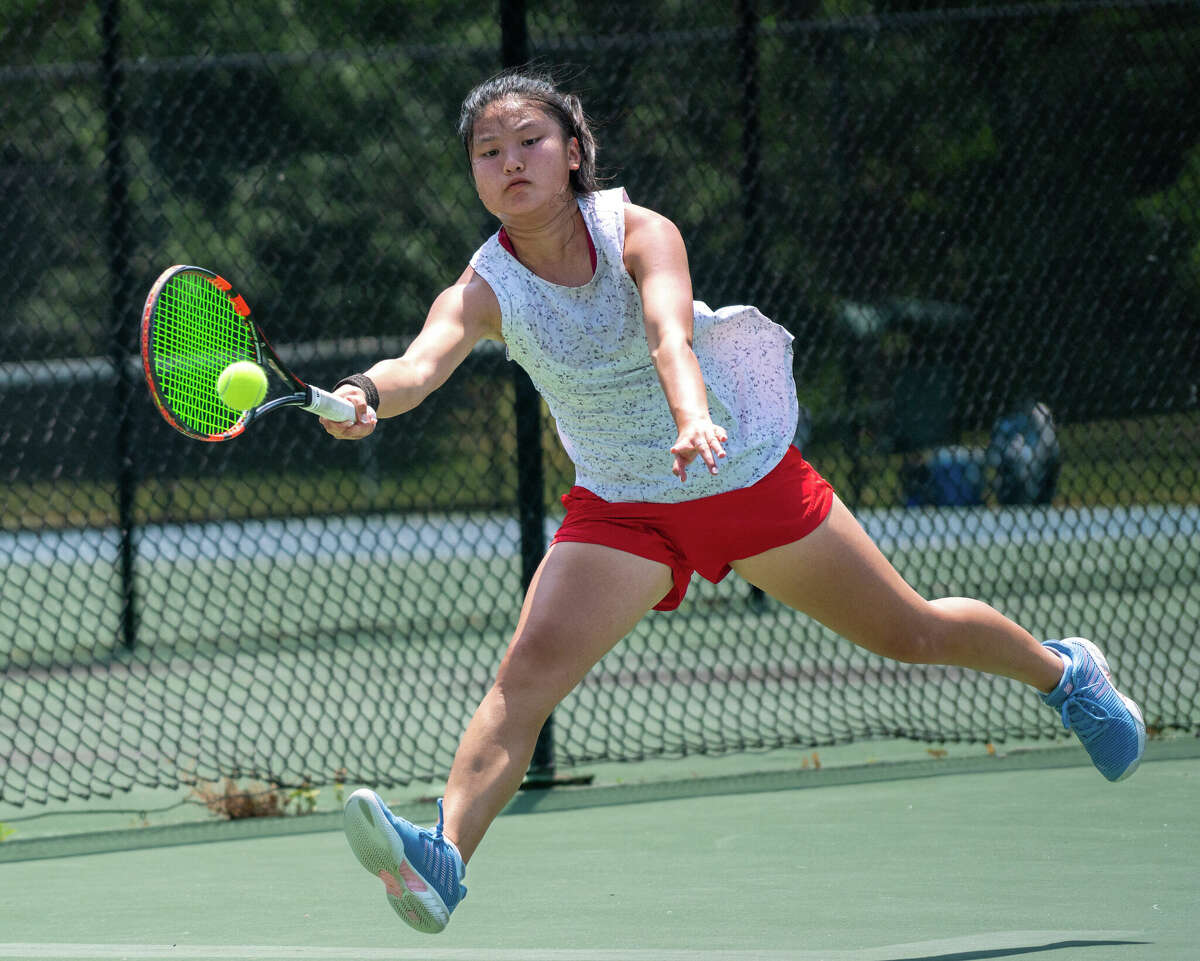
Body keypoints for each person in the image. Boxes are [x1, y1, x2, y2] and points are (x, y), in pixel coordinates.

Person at [321, 70, 1145, 935]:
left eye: (530, 141)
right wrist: (364, 392)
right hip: (622, 508)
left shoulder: (641, 232)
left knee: (911, 632)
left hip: (738, 468)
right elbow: (419, 364)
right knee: (525, 677)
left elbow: (668, 333)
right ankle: (443, 857)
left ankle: (1065, 675)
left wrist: (691, 417)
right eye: (489, 152)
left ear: (573, 151)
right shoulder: (484, 286)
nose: (511, 162)